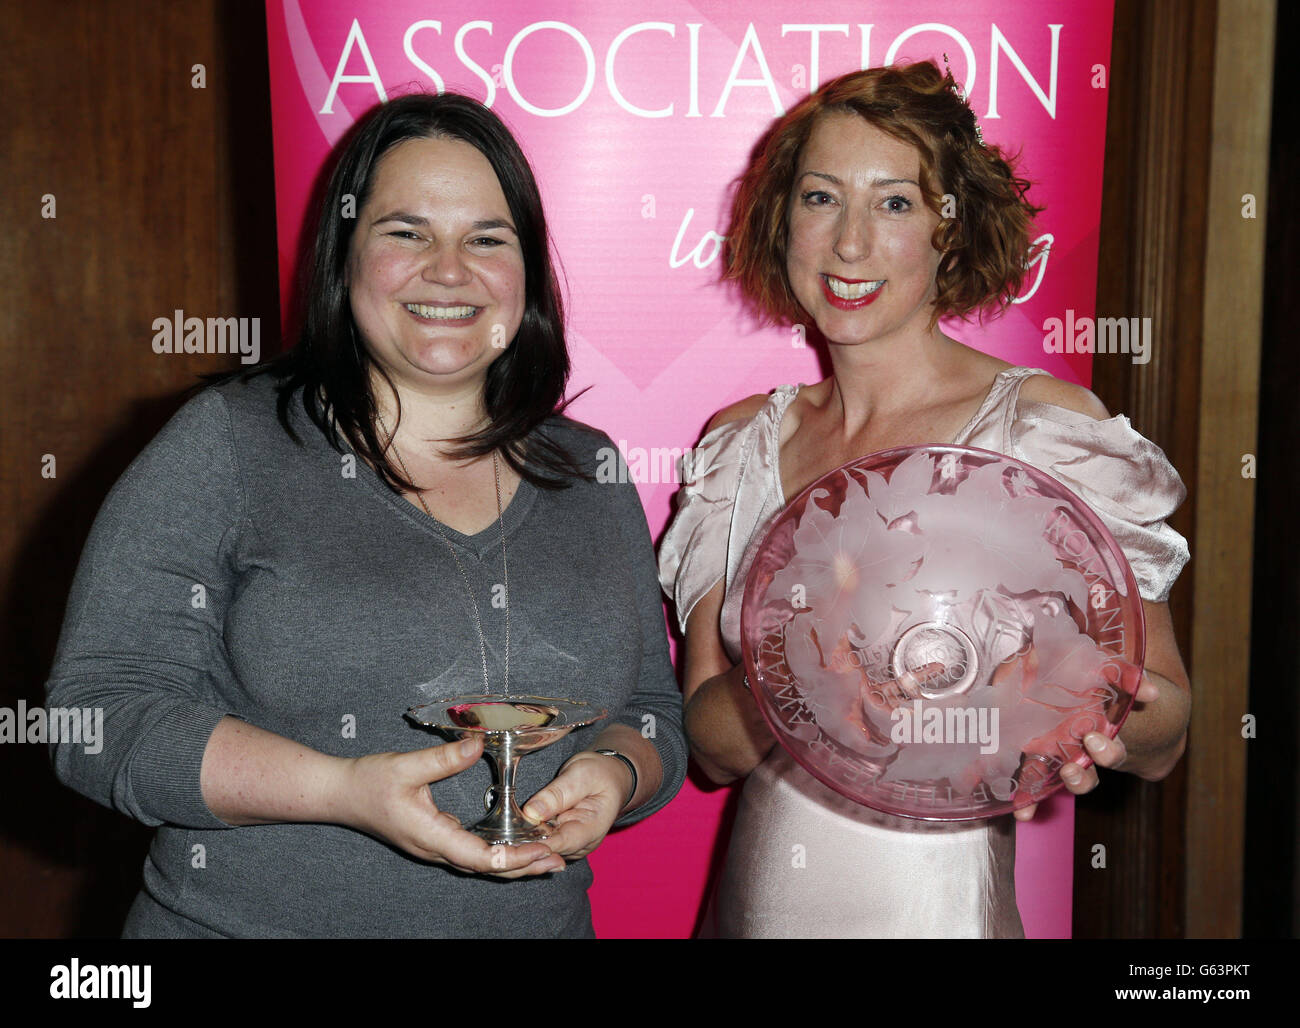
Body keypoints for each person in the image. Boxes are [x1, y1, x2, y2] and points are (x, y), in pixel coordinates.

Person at [45, 92, 686, 938]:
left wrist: (615, 770)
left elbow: (651, 710)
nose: (449, 269)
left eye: (486, 238)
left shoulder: (591, 470)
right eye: (406, 232)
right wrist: (341, 793)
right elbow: (96, 717)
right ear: (342, 256)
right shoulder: (228, 445)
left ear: (526, 271)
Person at [658, 61, 1191, 938]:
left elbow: (1166, 730)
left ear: (952, 230)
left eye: (895, 203)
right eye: (822, 198)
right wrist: (818, 673)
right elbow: (711, 752)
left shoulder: (1044, 433)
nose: (851, 245)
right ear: (783, 219)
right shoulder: (740, 446)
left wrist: (1097, 713)